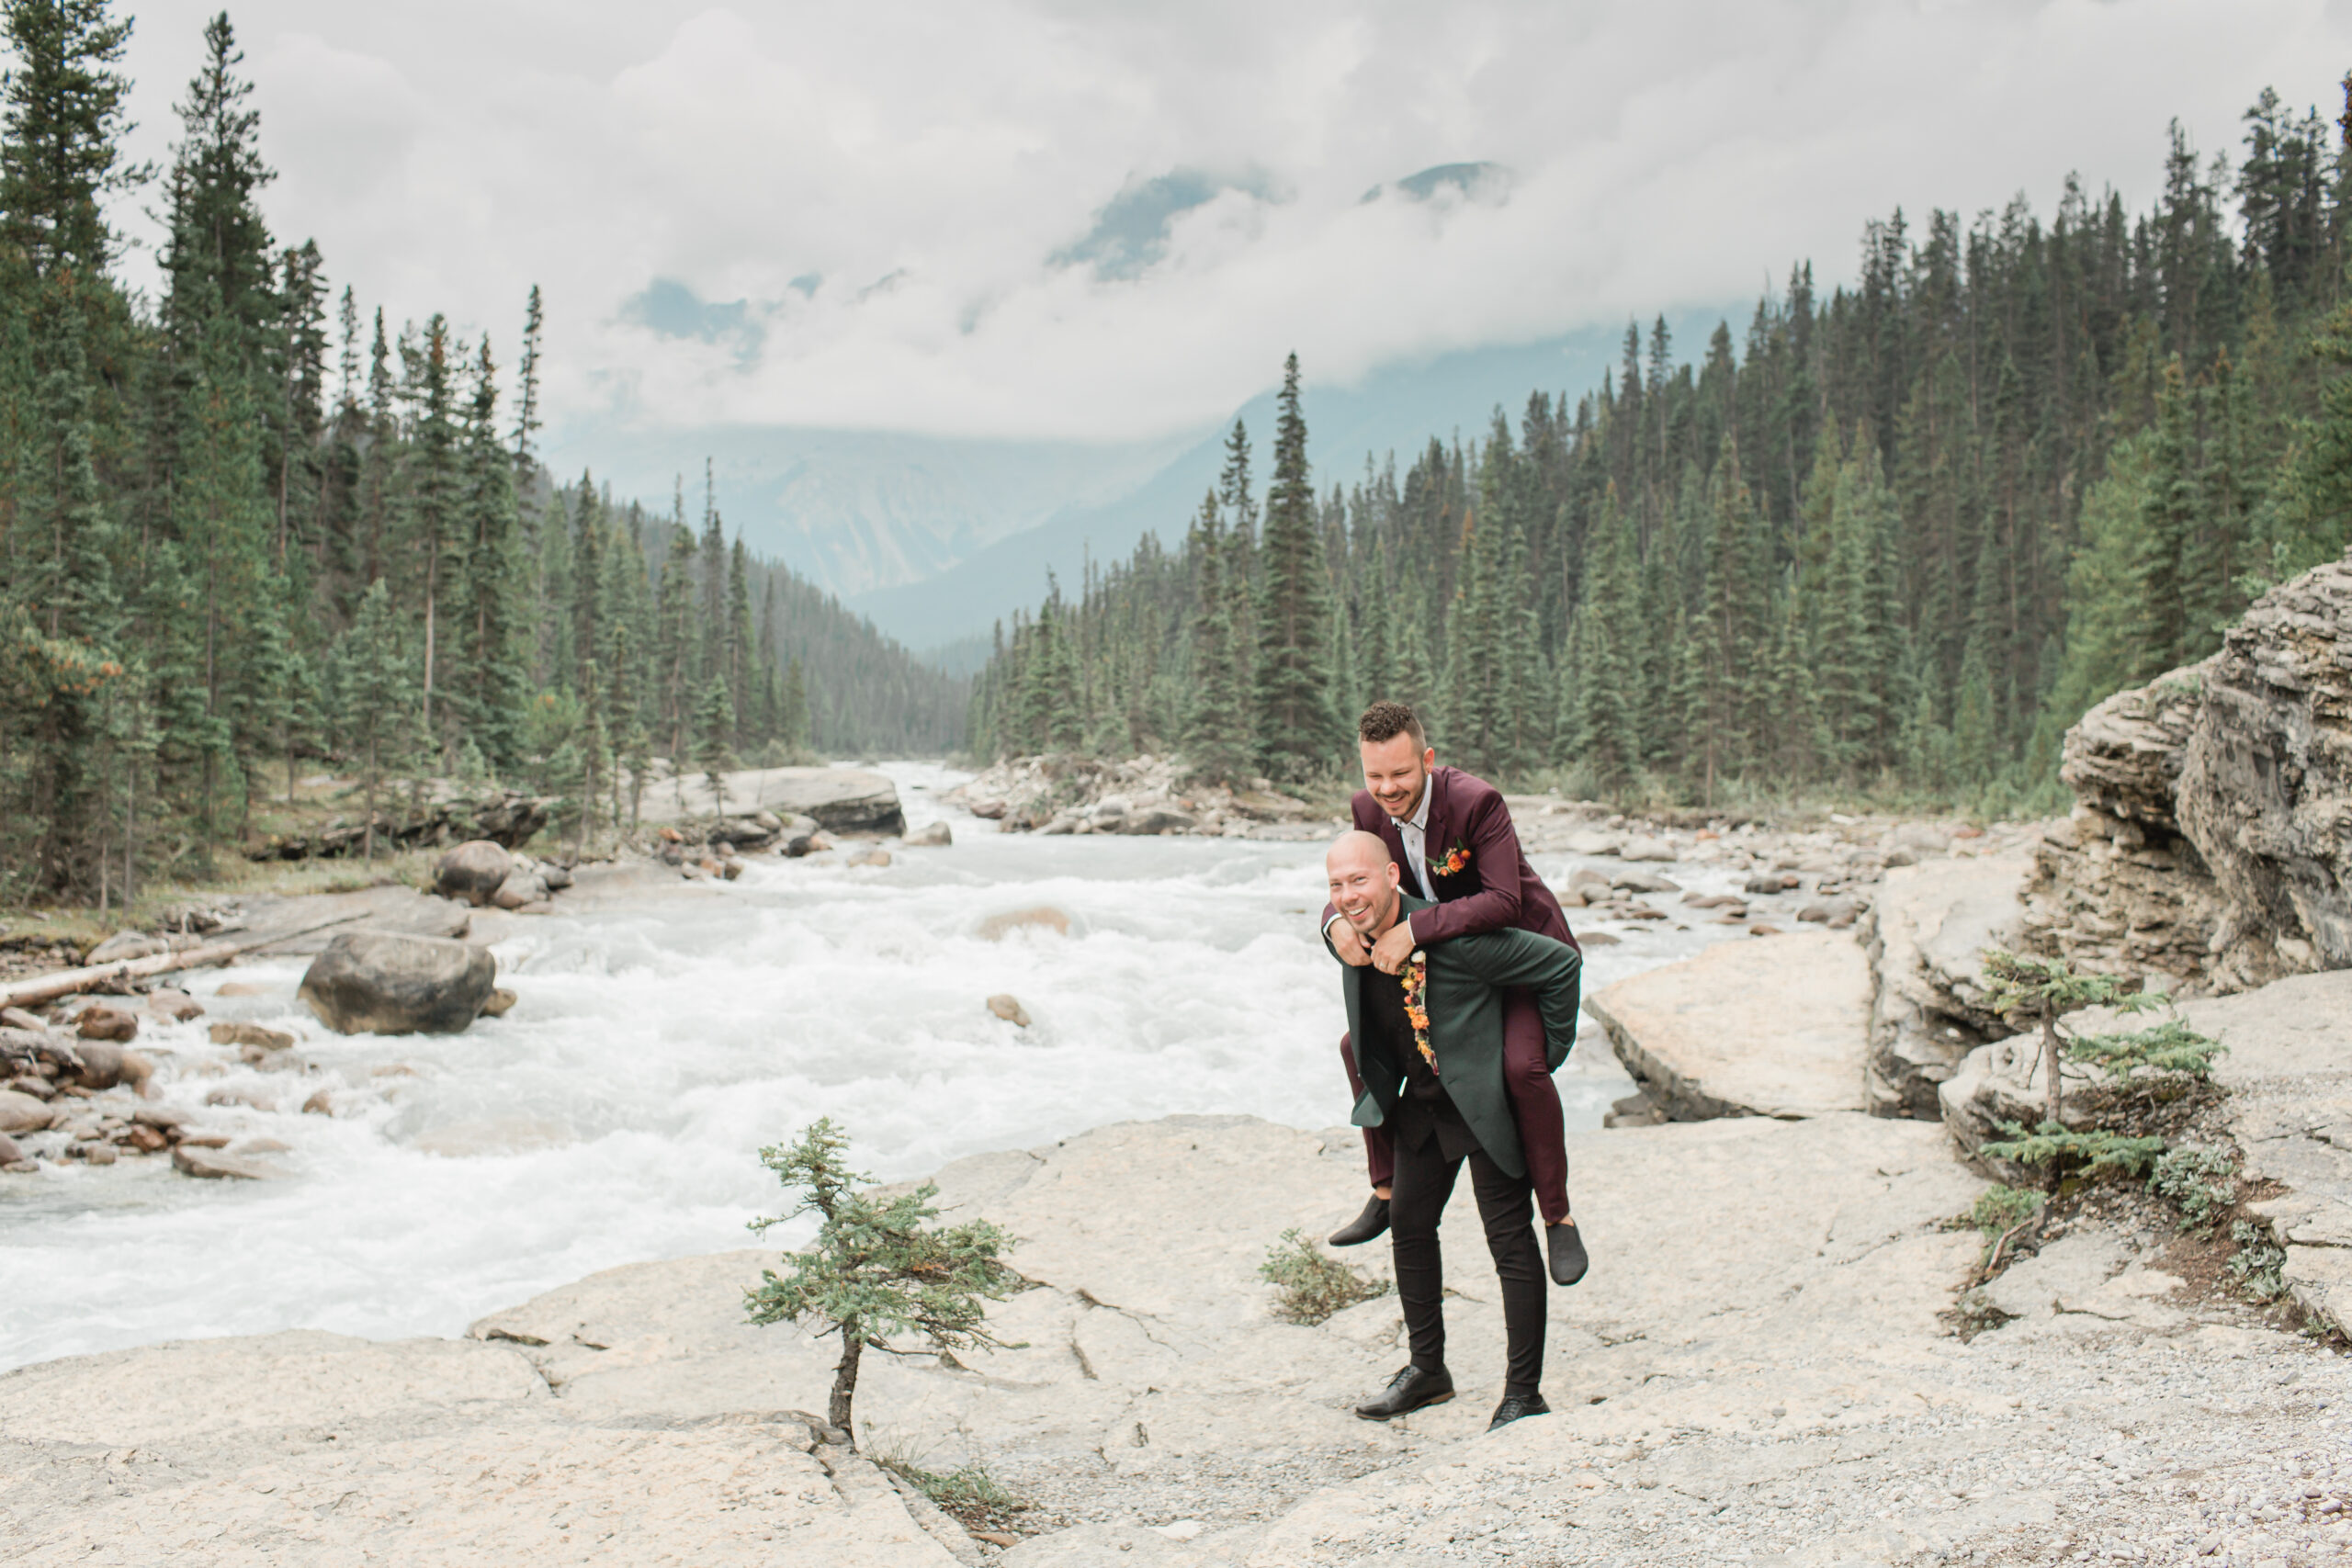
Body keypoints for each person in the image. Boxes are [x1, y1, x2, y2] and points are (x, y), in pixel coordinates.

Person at [1320, 700, 1588, 1289]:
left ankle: (1558, 1217)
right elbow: (1360, 876)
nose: (1387, 789)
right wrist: (1333, 923)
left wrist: (1413, 929)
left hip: (1518, 956)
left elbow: (1503, 902)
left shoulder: (1476, 801)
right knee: (1353, 1045)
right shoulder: (1367, 808)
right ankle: (1386, 1191)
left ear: (1429, 760)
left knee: (1521, 1066)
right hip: (1448, 964)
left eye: (1401, 774)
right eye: (1375, 775)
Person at [1322, 829, 1582, 1431]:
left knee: (1510, 1242)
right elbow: (1341, 930)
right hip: (1425, 1102)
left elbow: (1560, 963)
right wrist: (1332, 922)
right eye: (1336, 886)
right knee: (1409, 1226)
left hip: (1486, 1101)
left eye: (1358, 880)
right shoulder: (1350, 935)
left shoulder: (1455, 936)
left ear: (1392, 876)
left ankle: (1523, 1394)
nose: (1347, 896)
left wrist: (1546, 1051)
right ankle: (1427, 1370)